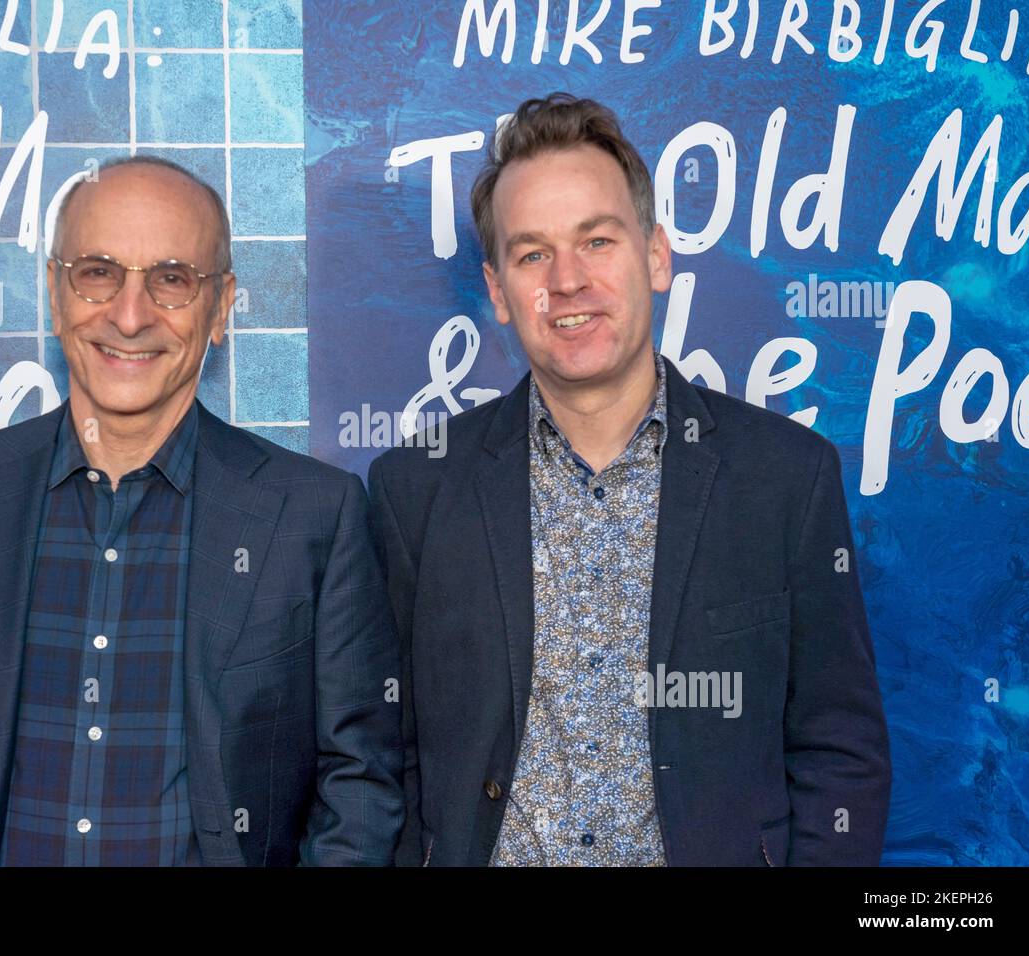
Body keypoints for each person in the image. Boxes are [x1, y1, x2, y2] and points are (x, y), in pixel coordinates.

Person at [0, 155, 403, 866]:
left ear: (221, 307)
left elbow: (361, 780)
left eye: (171, 280)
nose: (129, 316)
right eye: (98, 272)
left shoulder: (314, 514)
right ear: (54, 292)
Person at [367, 93, 891, 867]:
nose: (568, 280)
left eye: (597, 240)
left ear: (656, 255)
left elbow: (839, 751)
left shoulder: (785, 478)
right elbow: (386, 757)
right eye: (532, 253)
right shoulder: (414, 489)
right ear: (499, 290)